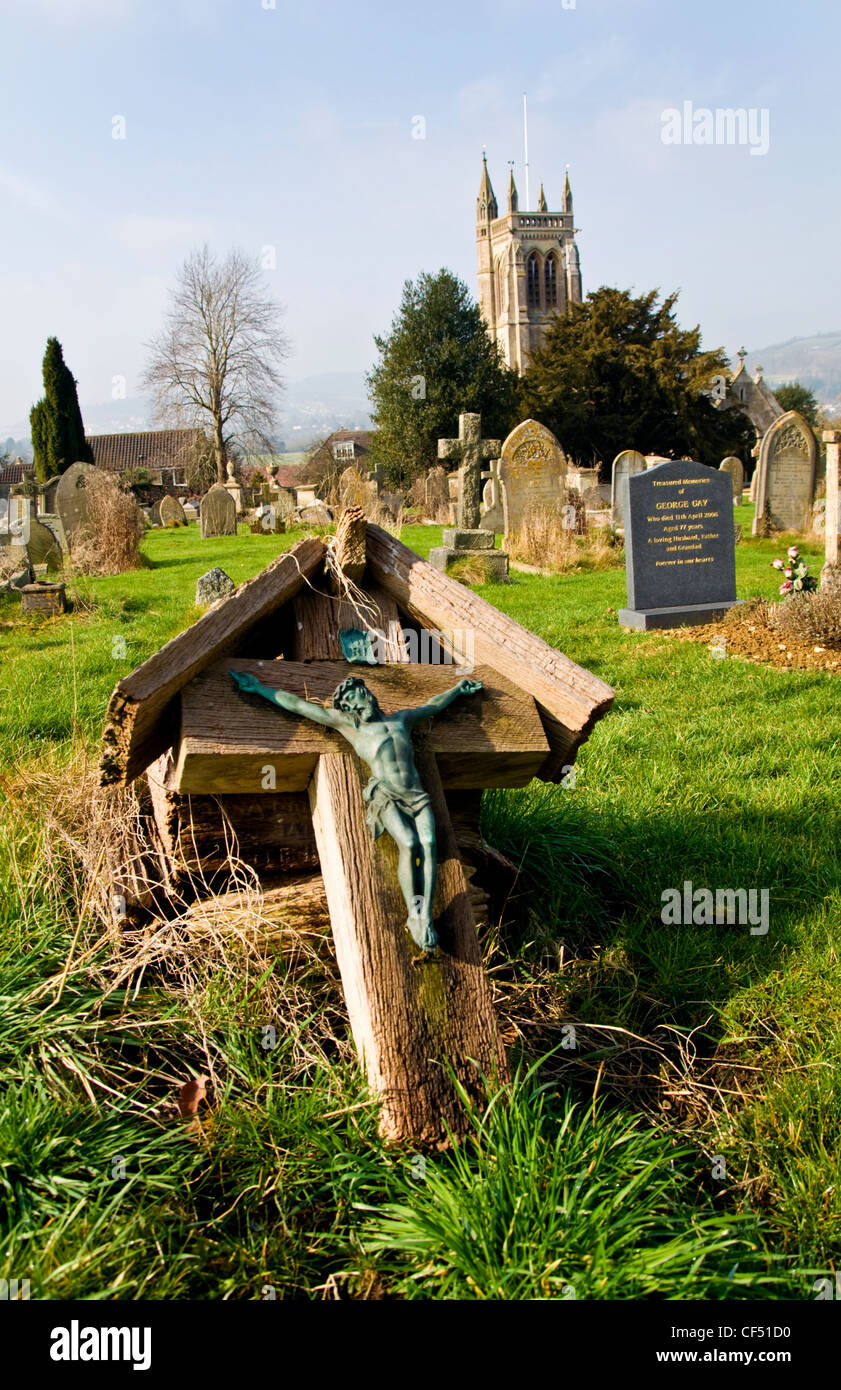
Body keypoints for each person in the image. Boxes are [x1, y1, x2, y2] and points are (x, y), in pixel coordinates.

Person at [230, 670, 483, 951]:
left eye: (360, 694)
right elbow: (299, 706)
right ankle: (415, 913)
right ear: (348, 708)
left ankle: (425, 916)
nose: (359, 701)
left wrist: (458, 690)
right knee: (410, 844)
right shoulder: (351, 726)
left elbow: (432, 705)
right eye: (351, 700)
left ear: (368, 694)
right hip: (386, 795)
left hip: (417, 796)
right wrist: (259, 688)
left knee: (429, 843)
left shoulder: (401, 719)